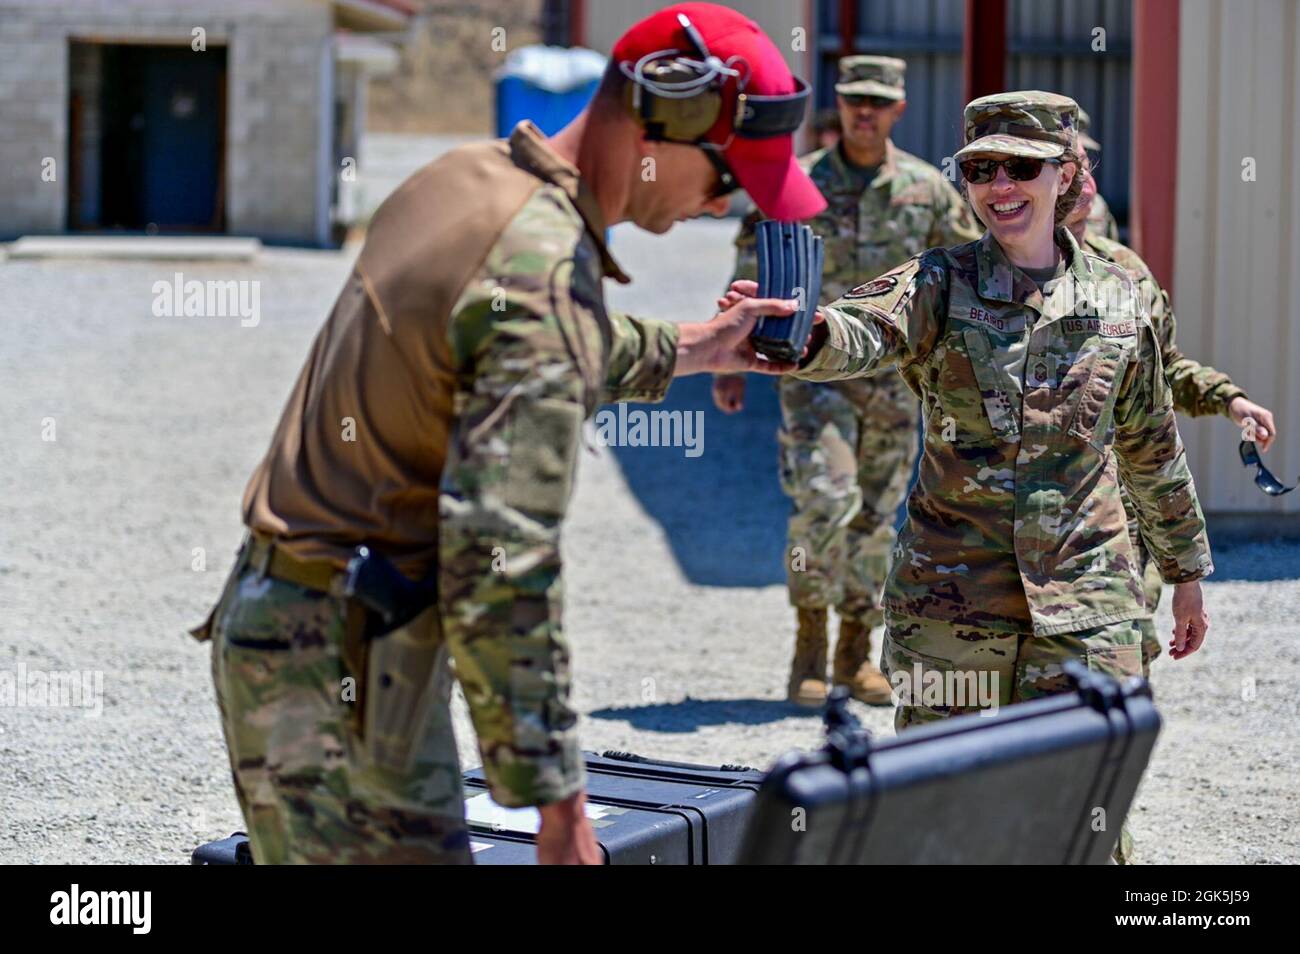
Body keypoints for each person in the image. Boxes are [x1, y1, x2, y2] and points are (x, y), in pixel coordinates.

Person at [189, 2, 825, 865]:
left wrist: (701, 345)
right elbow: (503, 553)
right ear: (659, 120)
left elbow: (503, 345)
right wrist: (557, 805)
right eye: (726, 176)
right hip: (337, 660)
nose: (723, 204)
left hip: (303, 630)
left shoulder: (470, 178)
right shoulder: (541, 277)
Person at [727, 91, 1214, 731]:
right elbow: (862, 329)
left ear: (1066, 174)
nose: (999, 186)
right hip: (953, 607)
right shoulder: (938, 282)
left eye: (1022, 167)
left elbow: (1152, 446)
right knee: (944, 787)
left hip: (1089, 605)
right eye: (981, 170)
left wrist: (1184, 574)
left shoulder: (1120, 297)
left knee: (1085, 786)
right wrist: (806, 335)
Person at [712, 55, 980, 708]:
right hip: (813, 374)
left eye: (878, 102)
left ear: (898, 110)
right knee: (825, 498)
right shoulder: (798, 183)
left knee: (877, 515)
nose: (865, 112)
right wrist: (727, 358)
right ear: (840, 104)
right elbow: (750, 269)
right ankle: (809, 641)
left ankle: (856, 651)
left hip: (893, 381)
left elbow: (967, 275)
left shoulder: (927, 191)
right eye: (855, 100)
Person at [1063, 140, 1278, 675]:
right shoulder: (998, 277)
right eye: (1065, 172)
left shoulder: (1126, 272)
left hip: (1120, 512)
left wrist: (1231, 400)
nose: (1082, 184)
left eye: (1085, 171)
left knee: (1118, 661)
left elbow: (1165, 365)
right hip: (1030, 514)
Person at [1076, 108, 1120, 240]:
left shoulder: (1097, 204)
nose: (1083, 162)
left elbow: (1111, 246)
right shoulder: (1042, 203)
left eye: (1085, 151)